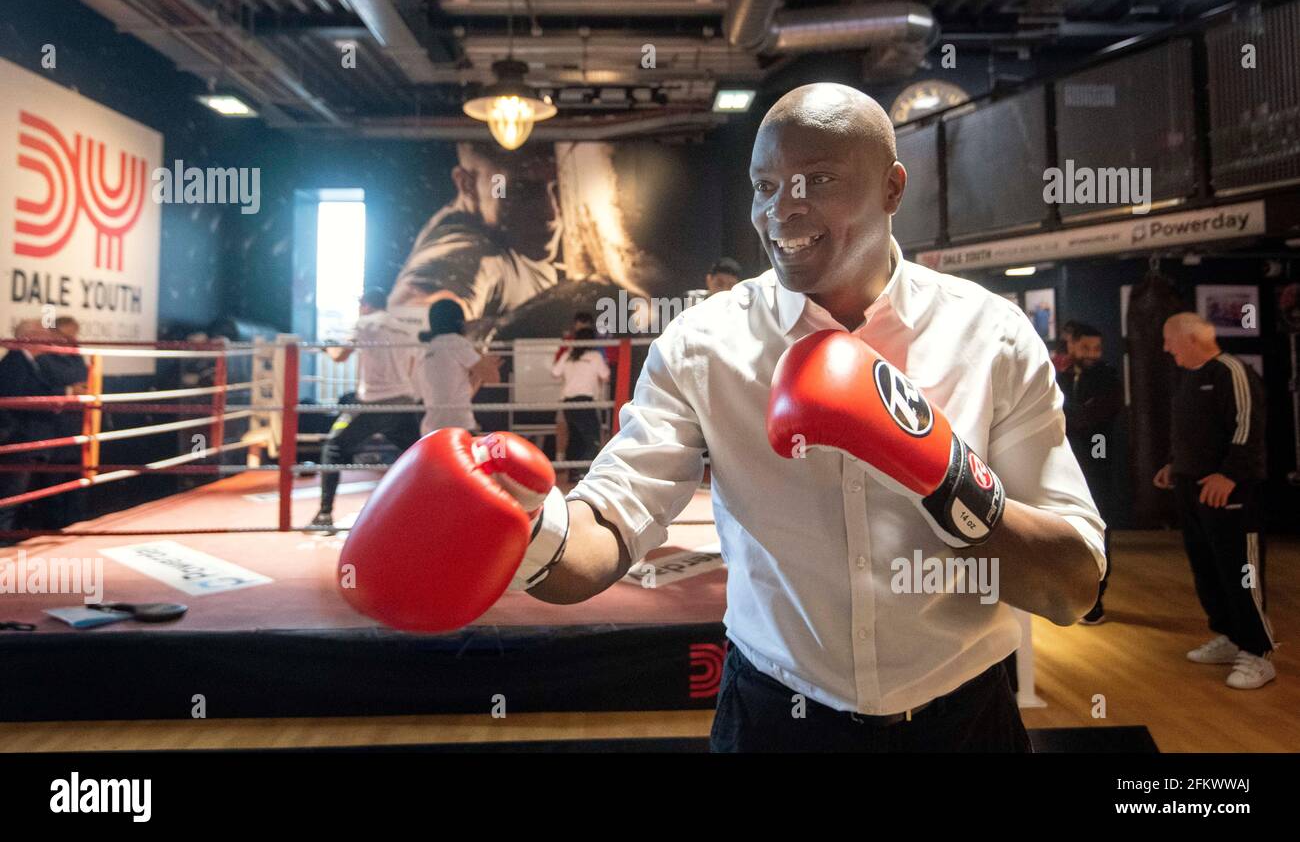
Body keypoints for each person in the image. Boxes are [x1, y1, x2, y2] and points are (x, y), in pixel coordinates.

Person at [341, 83, 1105, 752]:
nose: (783, 208)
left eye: (819, 180)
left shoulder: (992, 335)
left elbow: (1072, 588)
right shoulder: (705, 346)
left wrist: (944, 476)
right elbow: (607, 534)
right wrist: (526, 526)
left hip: (961, 721)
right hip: (775, 717)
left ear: (892, 187)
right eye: (765, 184)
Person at [1154, 312, 1273, 689]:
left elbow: (1247, 427)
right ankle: (1229, 635)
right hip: (1192, 489)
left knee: (1241, 570)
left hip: (1230, 491)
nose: (1165, 347)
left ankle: (1259, 652)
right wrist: (1177, 466)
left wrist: (1230, 475)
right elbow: (1195, 432)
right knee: (1207, 568)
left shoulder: (1230, 372)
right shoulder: (1188, 377)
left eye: (1169, 339)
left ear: (1190, 338)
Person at [387, 143, 560, 329]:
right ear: (467, 184)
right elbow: (409, 313)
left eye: (557, 188)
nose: (551, 214)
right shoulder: (471, 250)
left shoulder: (508, 234)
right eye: (523, 191)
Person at [311, 288, 422, 531]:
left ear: (365, 305)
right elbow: (412, 365)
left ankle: (324, 515)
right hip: (403, 403)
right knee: (421, 458)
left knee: (333, 446)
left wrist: (326, 346)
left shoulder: (365, 323)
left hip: (373, 404)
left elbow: (340, 355)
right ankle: (437, 510)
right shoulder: (405, 329)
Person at [1057, 322, 1122, 624]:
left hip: (1097, 465)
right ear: (1071, 345)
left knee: (1096, 530)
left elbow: (1088, 417)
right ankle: (1067, 595)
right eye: (1086, 348)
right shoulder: (1060, 375)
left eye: (1097, 348)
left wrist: (1065, 414)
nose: (1093, 354)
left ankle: (1095, 599)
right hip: (1064, 465)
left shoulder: (1108, 377)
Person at [0, 320, 60, 533]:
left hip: (21, 442)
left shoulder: (27, 363)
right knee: (8, 498)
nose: (49, 337)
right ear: (28, 337)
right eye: (43, 333)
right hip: (17, 443)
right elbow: (15, 399)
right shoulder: (15, 363)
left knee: (11, 498)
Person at [410, 299, 500, 437]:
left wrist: (480, 371)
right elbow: (494, 378)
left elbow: (460, 394)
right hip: (459, 427)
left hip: (430, 430)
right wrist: (482, 356)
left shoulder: (426, 348)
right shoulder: (456, 342)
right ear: (459, 320)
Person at [36, 316, 91, 527]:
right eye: (68, 335)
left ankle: (75, 524)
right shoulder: (44, 358)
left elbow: (84, 377)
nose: (72, 339)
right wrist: (71, 390)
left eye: (74, 335)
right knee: (54, 484)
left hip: (78, 425)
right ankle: (55, 527)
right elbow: (43, 389)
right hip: (56, 429)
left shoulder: (76, 356)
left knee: (77, 481)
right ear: (56, 334)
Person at [550, 326, 610, 483]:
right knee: (592, 438)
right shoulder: (595, 356)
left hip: (568, 403)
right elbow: (606, 376)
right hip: (585, 401)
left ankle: (573, 472)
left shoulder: (568, 355)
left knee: (575, 437)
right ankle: (583, 472)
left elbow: (555, 373)